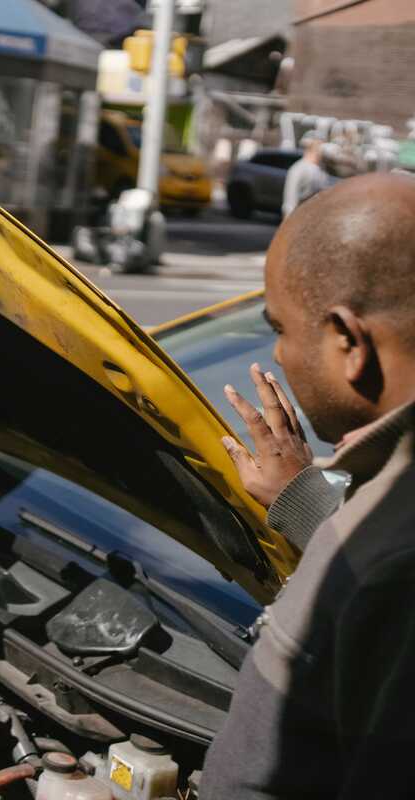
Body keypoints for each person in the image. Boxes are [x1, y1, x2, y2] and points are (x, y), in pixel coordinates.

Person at [203, 172, 415, 798]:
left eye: (281, 329)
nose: (279, 357)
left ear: (348, 341)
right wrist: (305, 495)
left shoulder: (397, 570)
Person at [281, 134, 329, 217]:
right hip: (301, 217)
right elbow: (290, 201)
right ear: (310, 147)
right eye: (319, 146)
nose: (322, 149)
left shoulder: (321, 170)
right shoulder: (298, 169)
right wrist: (289, 219)